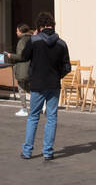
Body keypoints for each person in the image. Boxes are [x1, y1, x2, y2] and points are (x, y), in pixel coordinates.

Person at [20, 12, 72, 162]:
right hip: (54, 85)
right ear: (52, 25)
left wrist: (33, 37)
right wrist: (58, 76)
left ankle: (28, 151)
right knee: (51, 118)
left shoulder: (34, 40)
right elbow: (67, 67)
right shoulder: (62, 43)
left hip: (37, 84)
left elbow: (24, 56)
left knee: (33, 117)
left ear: (40, 26)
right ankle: (48, 151)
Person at [4, 23, 33, 118]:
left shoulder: (22, 41)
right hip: (31, 68)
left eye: (17, 31)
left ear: (21, 31)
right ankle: (38, 105)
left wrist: (10, 55)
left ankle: (24, 109)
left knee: (21, 89)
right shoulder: (32, 39)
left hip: (23, 68)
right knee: (30, 88)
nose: (16, 32)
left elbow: (21, 56)